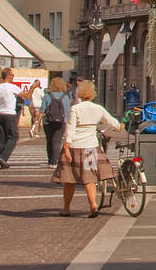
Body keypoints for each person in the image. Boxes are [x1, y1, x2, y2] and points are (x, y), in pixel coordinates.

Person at [58, 80, 118, 217]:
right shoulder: (98, 108)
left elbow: (71, 129)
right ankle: (93, 204)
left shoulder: (76, 109)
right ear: (92, 93)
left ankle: (66, 208)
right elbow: (110, 121)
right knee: (90, 178)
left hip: (75, 147)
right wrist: (118, 126)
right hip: (91, 146)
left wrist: (66, 146)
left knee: (70, 179)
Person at [0, 67, 23, 168]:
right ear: (7, 76)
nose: (13, 77)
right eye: (12, 75)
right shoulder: (12, 87)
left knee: (2, 138)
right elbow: (27, 96)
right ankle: (3, 157)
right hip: (10, 114)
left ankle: (2, 160)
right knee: (13, 137)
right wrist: (33, 87)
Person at [40, 75, 71, 168]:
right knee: (57, 140)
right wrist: (66, 124)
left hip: (47, 121)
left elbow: (42, 110)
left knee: (49, 141)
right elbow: (67, 111)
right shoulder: (65, 97)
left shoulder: (47, 96)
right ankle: (55, 161)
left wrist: (37, 123)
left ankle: (50, 160)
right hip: (61, 121)